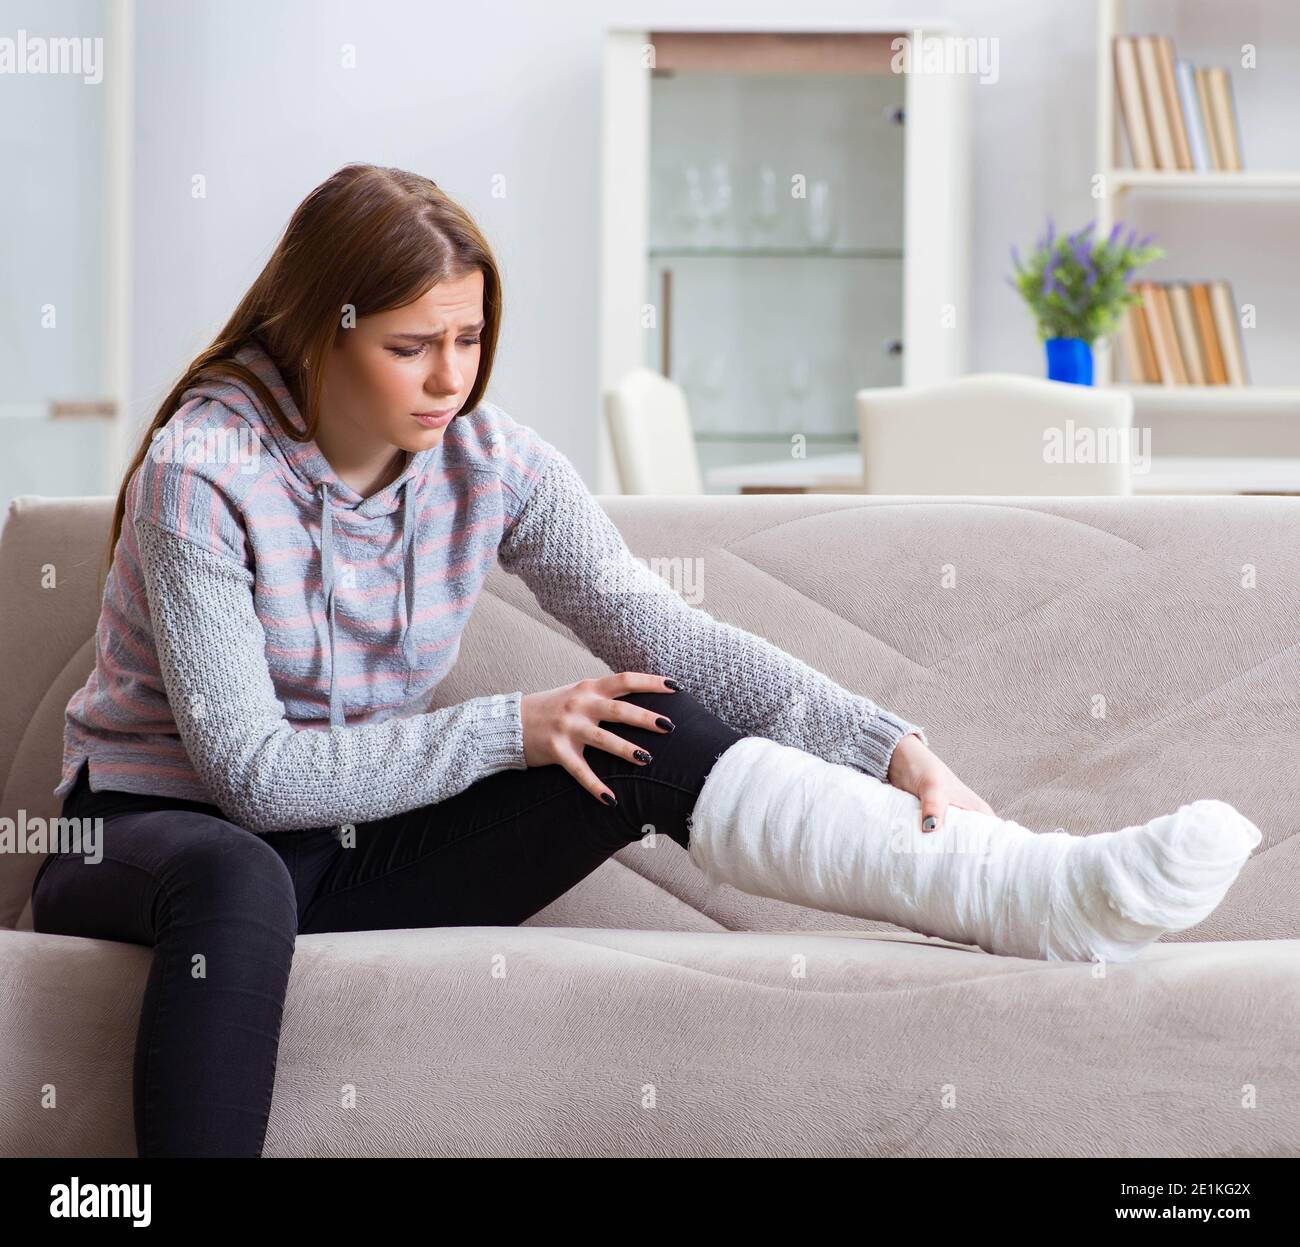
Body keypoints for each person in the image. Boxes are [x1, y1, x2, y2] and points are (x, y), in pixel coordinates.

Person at [30, 164, 1262, 1158]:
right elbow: (254, 780)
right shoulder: (208, 472)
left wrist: (896, 748)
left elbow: (666, 633)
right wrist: (512, 726)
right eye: (414, 345)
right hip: (151, 840)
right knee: (243, 875)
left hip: (351, 855)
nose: (450, 378)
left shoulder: (488, 461)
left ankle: (1022, 893)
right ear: (318, 328)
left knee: (643, 719)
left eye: (469, 337)